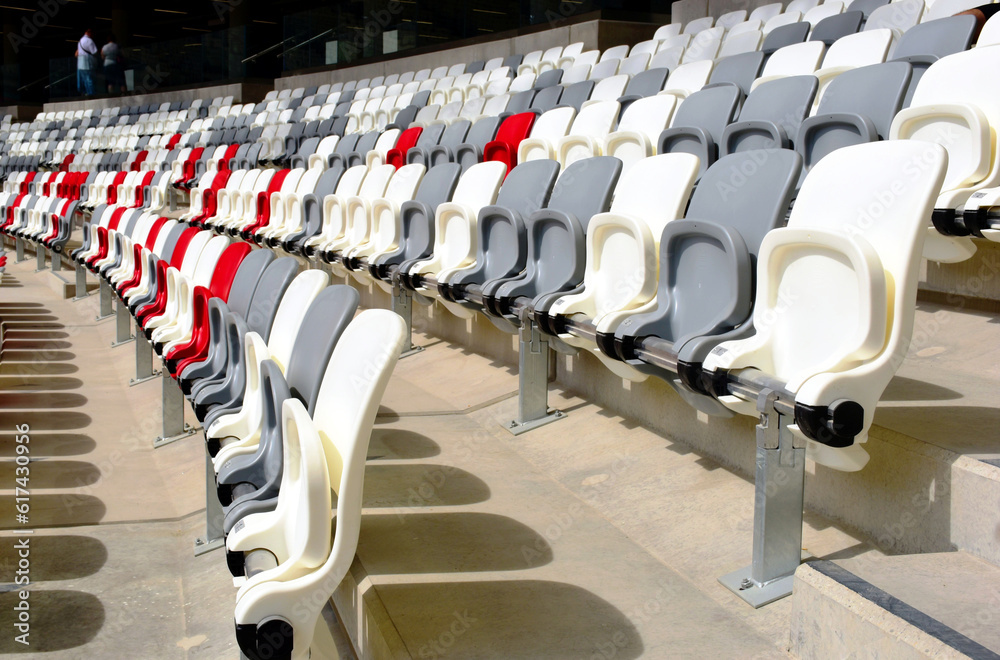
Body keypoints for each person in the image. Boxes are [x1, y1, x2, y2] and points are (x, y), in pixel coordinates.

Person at [76, 28, 98, 97]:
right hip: (87, 63)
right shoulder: (89, 41)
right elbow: (94, 52)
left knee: (85, 80)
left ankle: (86, 93)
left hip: (80, 64)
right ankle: (91, 94)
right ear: (89, 32)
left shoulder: (80, 41)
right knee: (89, 79)